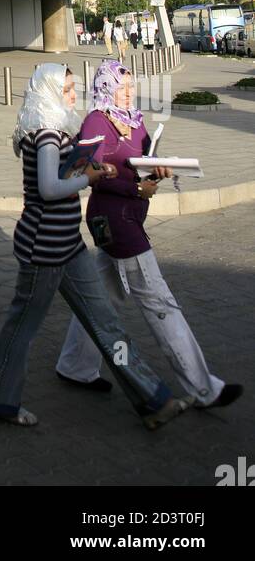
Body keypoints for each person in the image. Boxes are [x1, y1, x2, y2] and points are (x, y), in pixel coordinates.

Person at [0, 63, 186, 430]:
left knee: (104, 320)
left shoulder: (59, 131)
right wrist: (89, 177)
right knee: (23, 327)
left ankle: (153, 399)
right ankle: (1, 399)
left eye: (74, 88)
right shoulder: (45, 134)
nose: (74, 96)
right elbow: (48, 189)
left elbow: (66, 175)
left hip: (69, 244)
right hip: (42, 249)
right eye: (67, 90)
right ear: (48, 93)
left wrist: (96, 169)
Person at [56, 60, 242, 410]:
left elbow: (142, 164)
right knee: (160, 303)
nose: (127, 92)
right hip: (116, 224)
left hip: (129, 219)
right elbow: (89, 168)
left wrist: (157, 171)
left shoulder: (136, 121)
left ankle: (74, 365)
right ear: (106, 88)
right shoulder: (97, 120)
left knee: (102, 297)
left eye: (131, 85)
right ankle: (204, 388)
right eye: (120, 86)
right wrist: (134, 188)